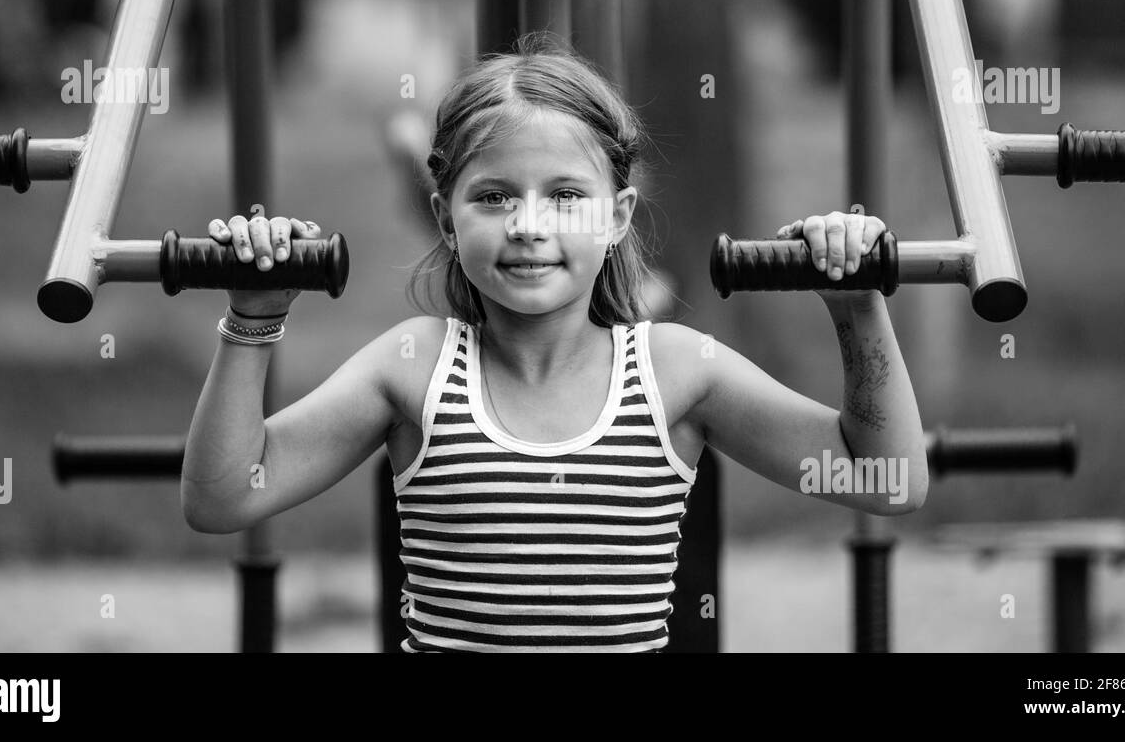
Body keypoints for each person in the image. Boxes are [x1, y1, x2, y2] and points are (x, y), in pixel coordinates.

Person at [182, 35, 928, 653]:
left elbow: (889, 480)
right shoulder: (413, 366)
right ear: (445, 219)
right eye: (494, 196)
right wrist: (253, 319)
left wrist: (857, 308)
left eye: (567, 196)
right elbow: (220, 498)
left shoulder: (673, 370)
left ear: (617, 216)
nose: (529, 225)